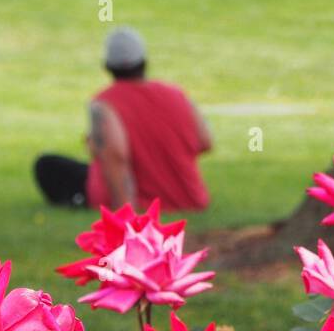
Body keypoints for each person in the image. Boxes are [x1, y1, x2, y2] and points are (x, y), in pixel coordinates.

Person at [34, 27, 212, 211]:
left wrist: (124, 212)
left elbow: (115, 157)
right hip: (191, 199)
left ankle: (79, 200)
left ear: (107, 67)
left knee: (47, 166)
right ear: (144, 62)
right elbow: (205, 142)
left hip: (140, 202)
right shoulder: (177, 95)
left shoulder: (104, 104)